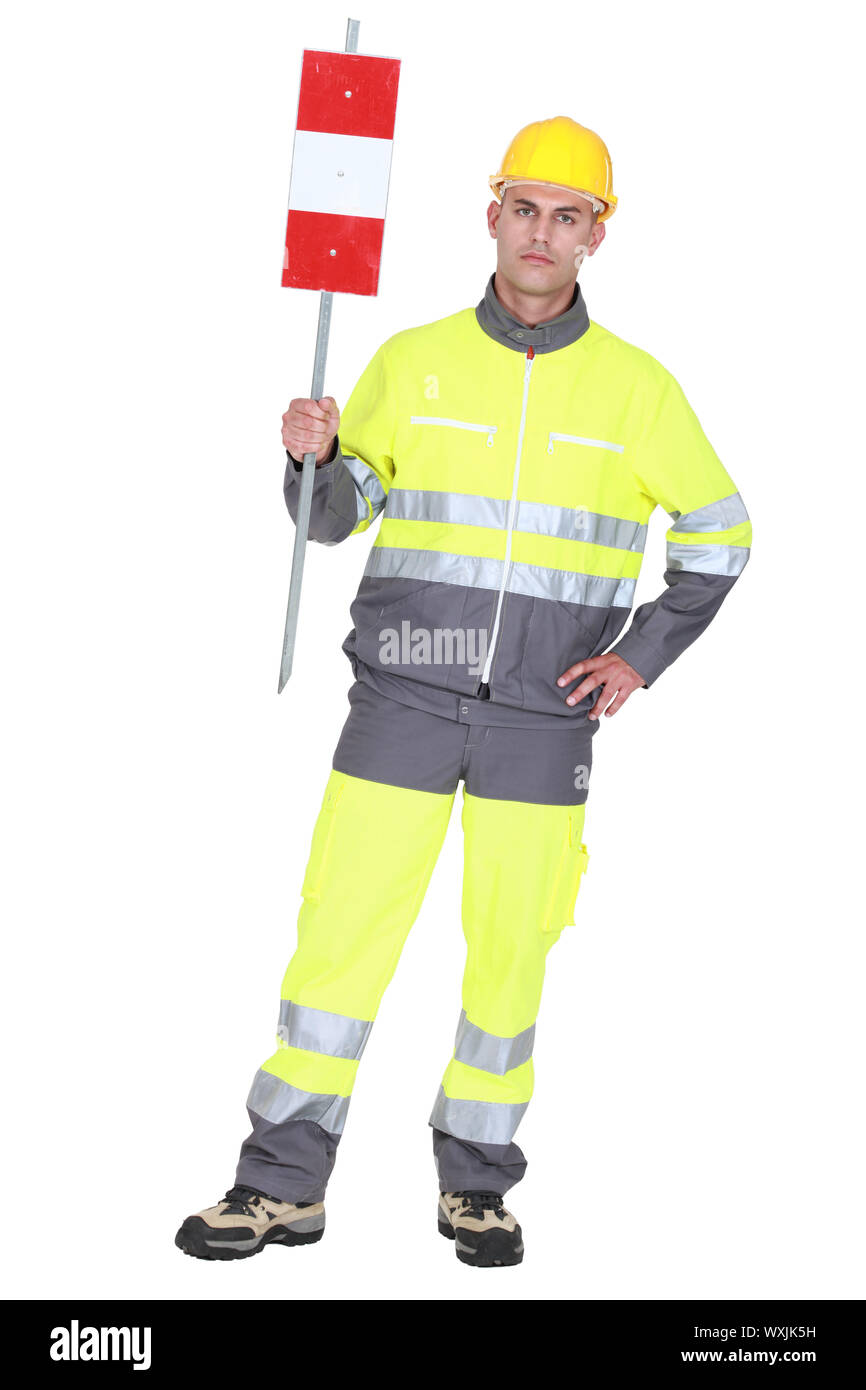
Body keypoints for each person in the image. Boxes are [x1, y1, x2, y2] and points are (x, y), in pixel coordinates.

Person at [176, 116, 752, 1268]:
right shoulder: (413, 358)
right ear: (491, 215)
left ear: (598, 235)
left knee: (508, 956)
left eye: (568, 214)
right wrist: (309, 459)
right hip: (403, 698)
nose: (543, 232)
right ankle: (280, 1183)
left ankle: (475, 1187)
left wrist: (638, 654)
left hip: (543, 721)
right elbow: (337, 518)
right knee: (338, 942)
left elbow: (721, 536)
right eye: (524, 207)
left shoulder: (638, 391)